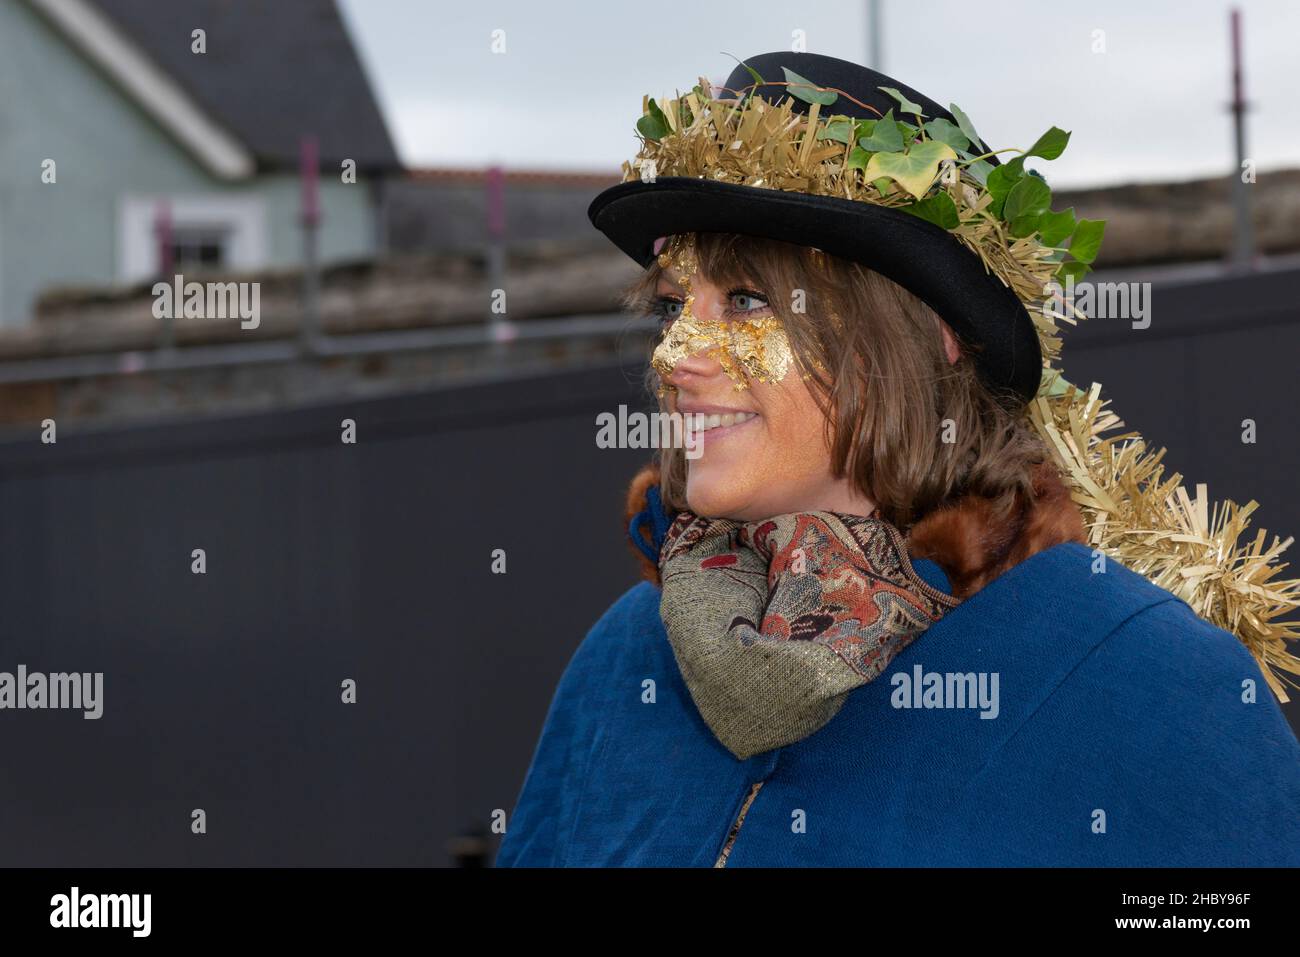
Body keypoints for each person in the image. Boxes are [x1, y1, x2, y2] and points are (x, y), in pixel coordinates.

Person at [496, 51, 1300, 867]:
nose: (674, 354)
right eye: (673, 307)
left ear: (933, 332)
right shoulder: (629, 655)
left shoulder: (1152, 682)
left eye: (745, 300)